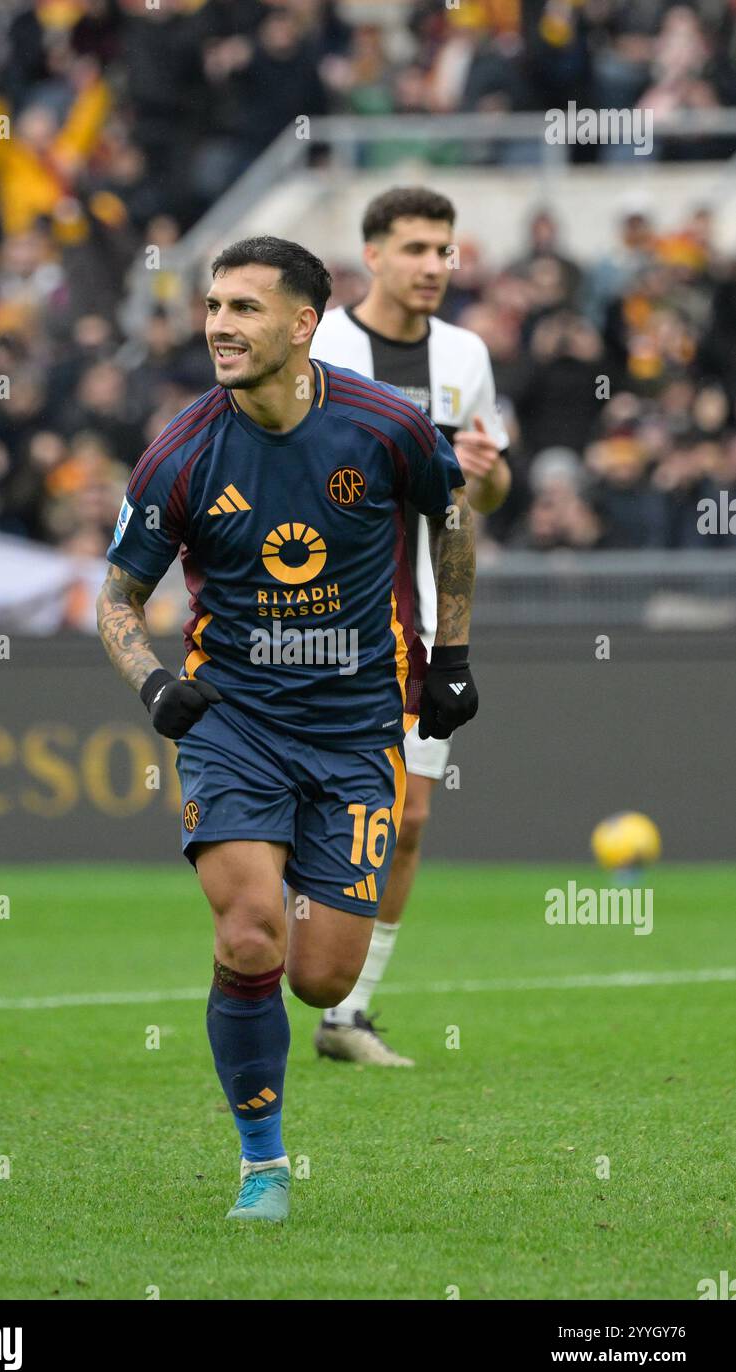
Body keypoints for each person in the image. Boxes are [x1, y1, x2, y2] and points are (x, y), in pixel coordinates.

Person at [96, 235, 479, 1222]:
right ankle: (261, 1164)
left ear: (303, 324)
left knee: (320, 977)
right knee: (253, 934)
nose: (219, 324)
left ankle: (287, 1032)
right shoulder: (181, 452)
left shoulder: (384, 428)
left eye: (243, 308)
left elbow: (456, 512)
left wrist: (453, 655)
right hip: (236, 728)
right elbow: (116, 603)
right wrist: (152, 689)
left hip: (356, 734)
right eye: (213, 306)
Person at [310, 186, 510, 1065]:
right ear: (374, 255)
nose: (435, 265)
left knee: (410, 816)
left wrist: (479, 468)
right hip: (321, 611)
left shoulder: (465, 353)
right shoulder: (323, 345)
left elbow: (486, 494)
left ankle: (344, 1013)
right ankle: (278, 954)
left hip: (422, 617)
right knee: (314, 803)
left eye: (445, 250)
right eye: (418, 248)